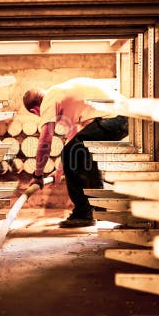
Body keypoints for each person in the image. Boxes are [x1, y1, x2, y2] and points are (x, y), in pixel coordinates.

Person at [23, 77, 129, 228]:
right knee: (81, 153)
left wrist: (37, 175)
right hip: (122, 116)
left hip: (115, 117)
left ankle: (83, 213)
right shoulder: (64, 97)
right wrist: (60, 170)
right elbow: (71, 138)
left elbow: (45, 140)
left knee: (74, 151)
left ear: (35, 110)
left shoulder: (48, 99)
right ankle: (99, 207)